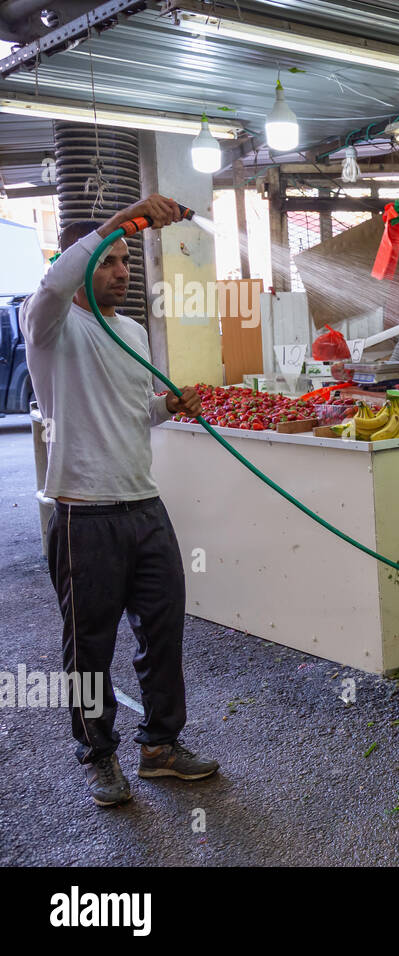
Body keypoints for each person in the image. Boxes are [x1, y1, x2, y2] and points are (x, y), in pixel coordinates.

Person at [21, 194, 219, 808]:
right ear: (82, 266)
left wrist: (168, 406)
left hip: (144, 507)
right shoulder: (49, 323)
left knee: (163, 632)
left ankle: (160, 746)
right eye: (107, 261)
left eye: (127, 261)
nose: (121, 271)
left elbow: (137, 414)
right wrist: (122, 217)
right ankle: (97, 753)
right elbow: (57, 280)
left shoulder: (132, 331)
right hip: (85, 515)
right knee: (90, 645)